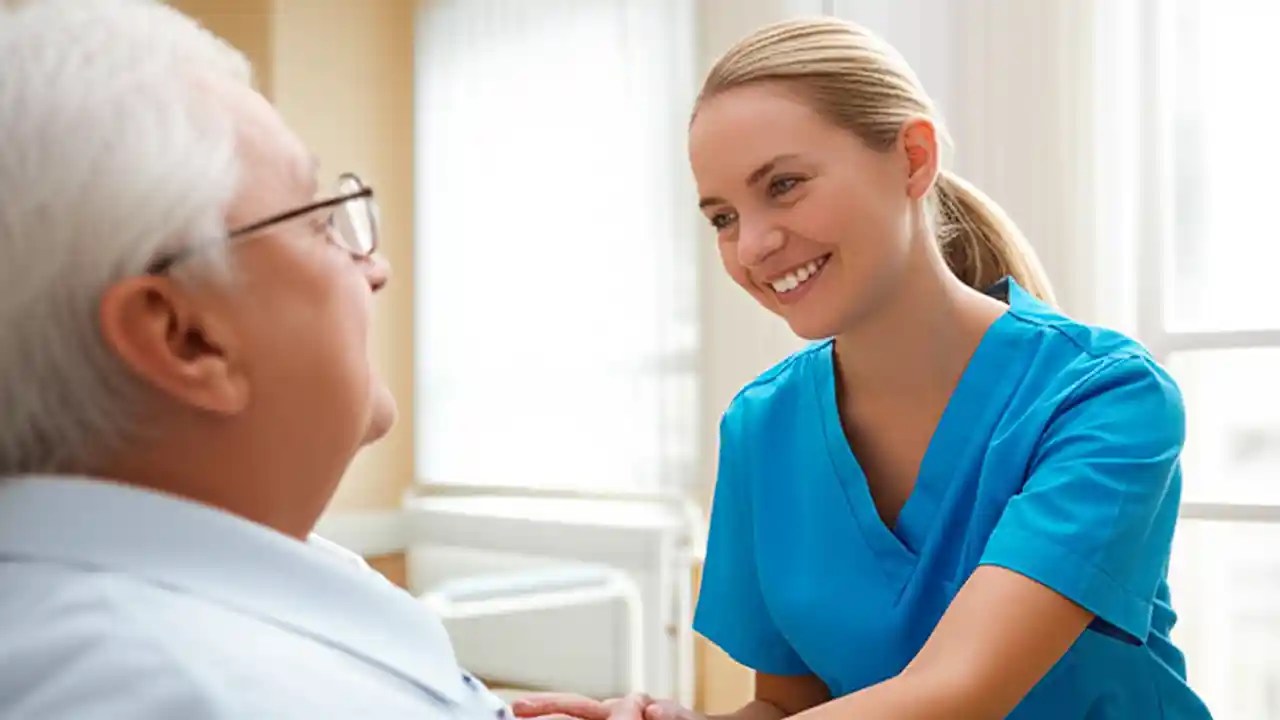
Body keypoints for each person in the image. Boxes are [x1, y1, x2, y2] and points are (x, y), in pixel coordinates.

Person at [515, 17, 1211, 720]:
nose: (752, 244)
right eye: (723, 217)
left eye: (784, 185)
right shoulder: (762, 426)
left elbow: (959, 692)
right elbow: (788, 706)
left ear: (913, 158)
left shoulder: (1106, 398)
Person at [0, 1, 506, 717]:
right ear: (188, 338)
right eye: (323, 221)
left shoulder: (219, 589)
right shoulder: (162, 692)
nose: (377, 267)